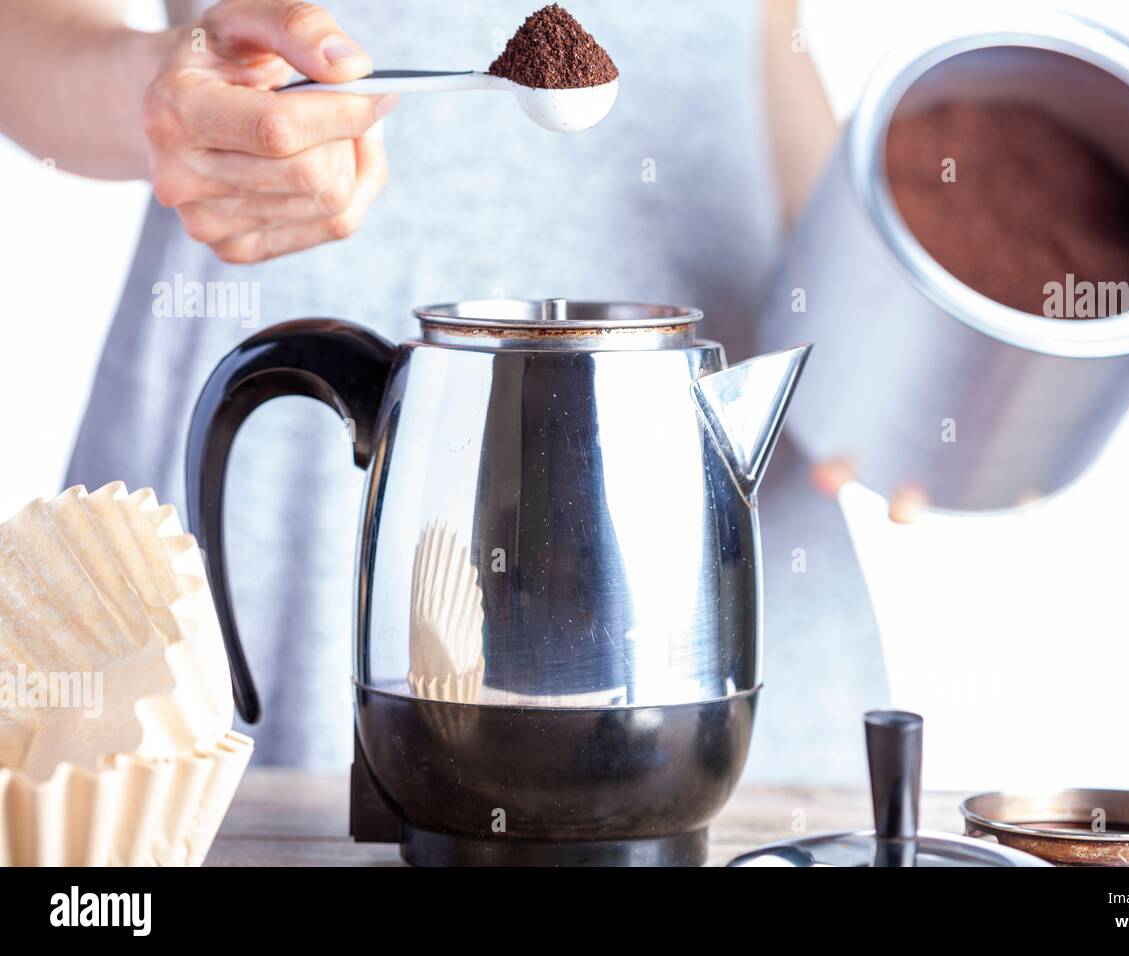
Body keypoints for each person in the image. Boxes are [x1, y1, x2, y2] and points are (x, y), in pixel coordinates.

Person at [0, 0, 888, 783]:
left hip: (694, 571)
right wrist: (163, 97)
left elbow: (768, 30)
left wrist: (909, 341)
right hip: (278, 513)